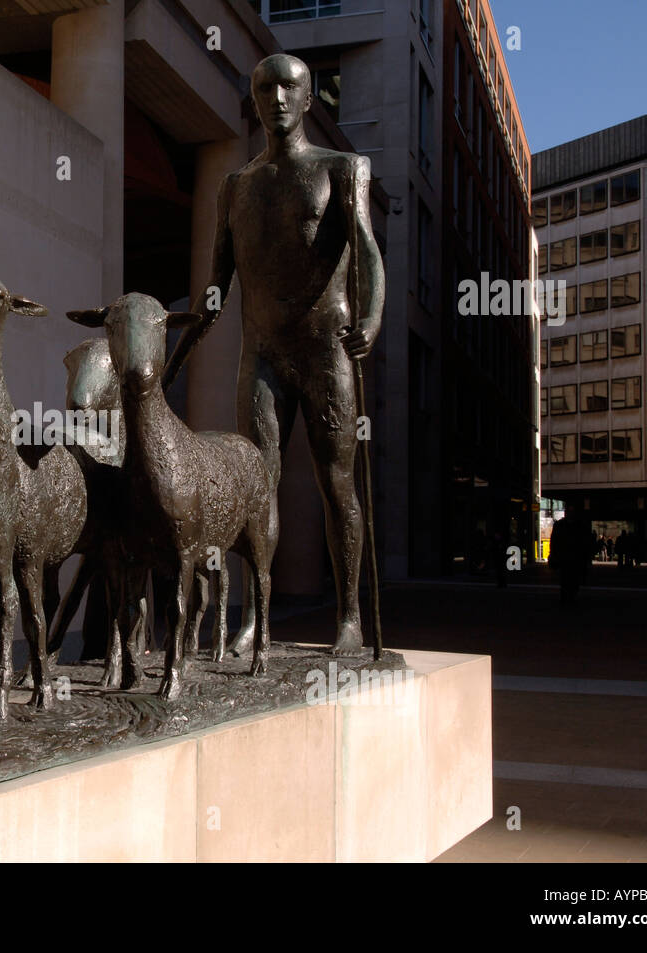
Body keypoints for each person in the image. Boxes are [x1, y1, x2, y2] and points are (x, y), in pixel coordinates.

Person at [162, 53, 385, 656]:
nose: (277, 98)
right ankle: (259, 618)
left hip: (324, 350)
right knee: (256, 485)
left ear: (310, 99)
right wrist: (175, 347)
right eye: (265, 88)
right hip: (261, 354)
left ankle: (350, 617)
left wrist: (371, 317)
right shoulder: (236, 186)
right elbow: (216, 286)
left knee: (336, 481)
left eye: (289, 88)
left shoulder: (342, 168)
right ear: (254, 99)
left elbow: (365, 250)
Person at [549, 504, 593, 606]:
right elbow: (585, 542)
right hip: (572, 557)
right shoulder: (580, 526)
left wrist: (554, 554)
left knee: (568, 579)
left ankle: (567, 598)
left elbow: (554, 541)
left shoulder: (560, 525)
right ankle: (569, 598)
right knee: (571, 579)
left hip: (567, 557)